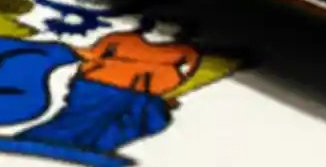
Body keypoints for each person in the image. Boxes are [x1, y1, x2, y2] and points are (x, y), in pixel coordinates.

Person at [16, 19, 201, 155]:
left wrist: (163, 99)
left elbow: (185, 75)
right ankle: (40, 142)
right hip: (99, 86)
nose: (164, 32)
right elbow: (94, 55)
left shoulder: (184, 53)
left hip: (139, 93)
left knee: (138, 123)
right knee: (84, 119)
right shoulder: (120, 39)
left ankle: (79, 149)